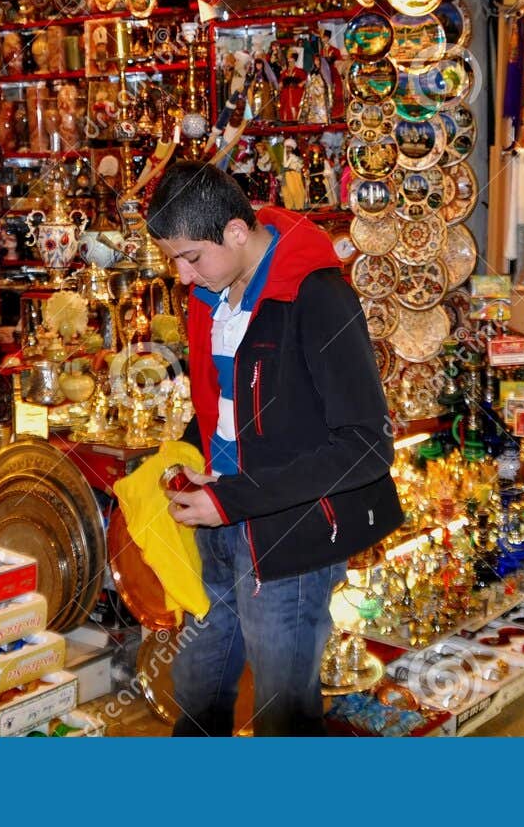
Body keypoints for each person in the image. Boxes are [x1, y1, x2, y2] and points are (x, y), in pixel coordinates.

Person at [145, 161, 403, 735]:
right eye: (173, 260)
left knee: (282, 709)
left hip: (289, 535)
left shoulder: (318, 298)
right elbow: (229, 404)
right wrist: (187, 458)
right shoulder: (213, 292)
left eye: (190, 257)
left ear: (237, 231)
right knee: (197, 683)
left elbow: (366, 447)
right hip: (220, 520)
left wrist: (235, 499)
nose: (183, 276)